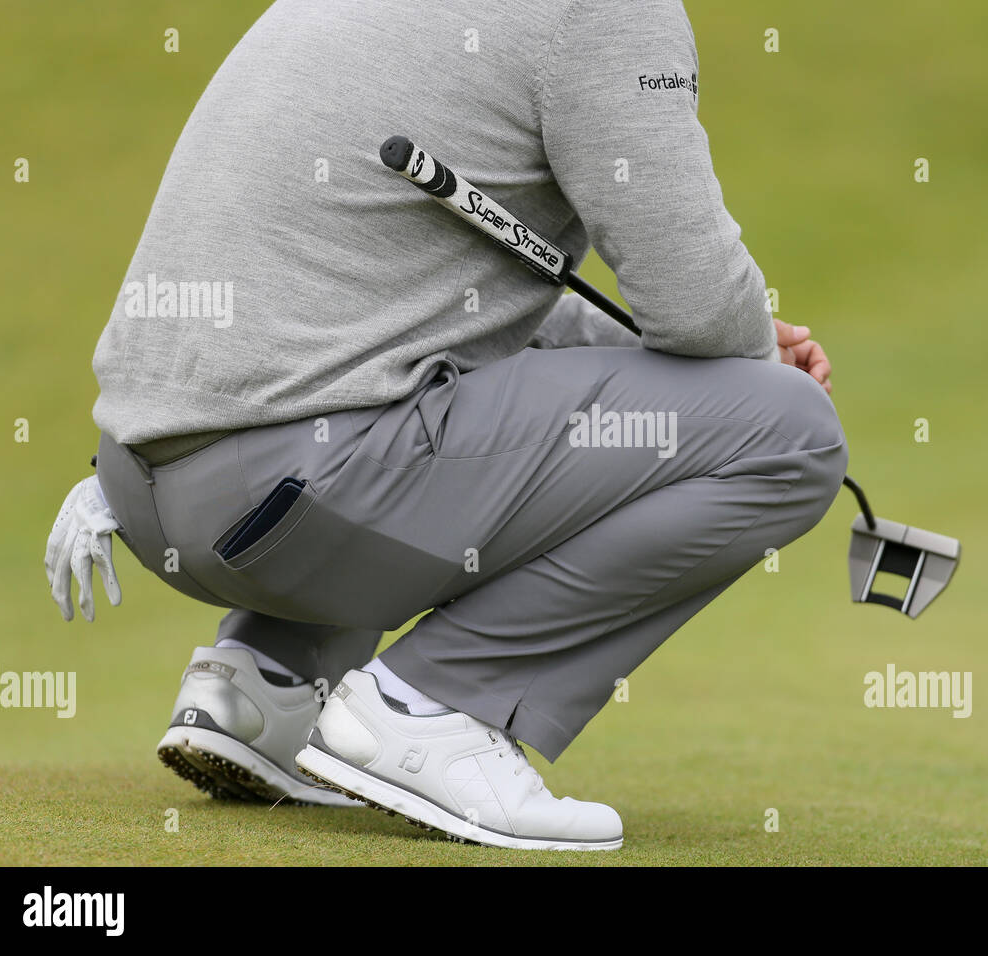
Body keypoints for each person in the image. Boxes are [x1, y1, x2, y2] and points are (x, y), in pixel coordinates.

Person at [45, 0, 844, 851]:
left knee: (425, 385)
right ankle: (432, 705)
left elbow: (446, 312)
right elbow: (695, 305)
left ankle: (270, 681)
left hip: (140, 480)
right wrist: (752, 357)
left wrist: (735, 353)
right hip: (295, 493)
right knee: (790, 432)